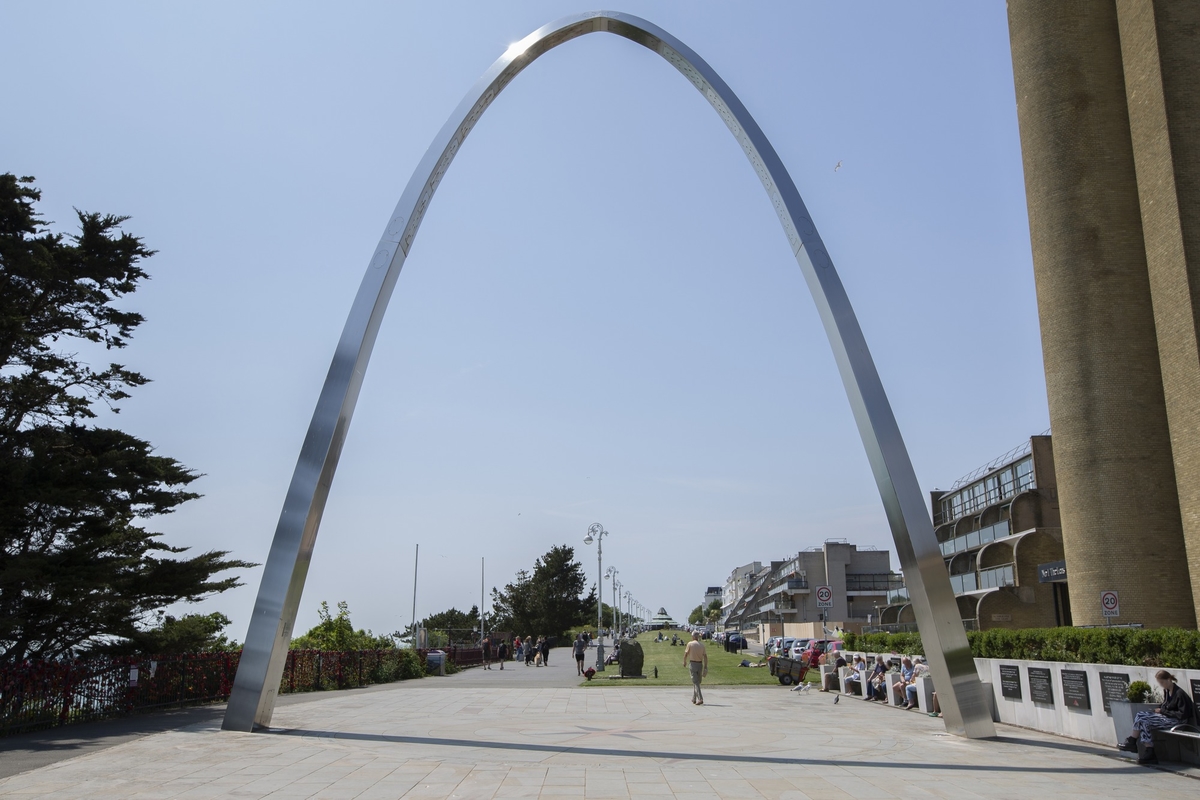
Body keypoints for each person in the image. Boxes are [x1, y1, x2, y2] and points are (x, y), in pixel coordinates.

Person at [1120, 669, 1196, 764]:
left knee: (1141, 716)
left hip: (1177, 721)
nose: (1161, 685)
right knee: (1144, 721)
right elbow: (1165, 705)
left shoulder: (1179, 693)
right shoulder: (1167, 691)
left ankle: (1134, 741)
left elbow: (1182, 714)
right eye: (1160, 683)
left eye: (1162, 682)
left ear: (1169, 679)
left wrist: (1163, 711)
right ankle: (1149, 751)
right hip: (1167, 718)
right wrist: (1159, 710)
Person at [683, 631, 708, 705]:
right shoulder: (702, 645)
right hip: (700, 664)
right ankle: (694, 698)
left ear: (693, 637)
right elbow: (705, 656)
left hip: (693, 664)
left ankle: (700, 698)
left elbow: (686, 654)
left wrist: (684, 661)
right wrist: (705, 666)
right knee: (697, 682)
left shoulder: (690, 644)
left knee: (696, 682)